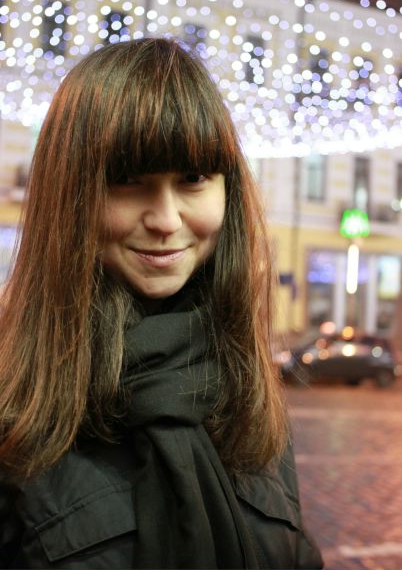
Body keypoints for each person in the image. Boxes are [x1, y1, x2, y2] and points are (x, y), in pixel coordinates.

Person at [0, 37, 323, 570]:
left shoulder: (248, 396)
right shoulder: (16, 408)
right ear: (70, 195)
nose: (166, 220)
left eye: (193, 179)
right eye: (128, 181)